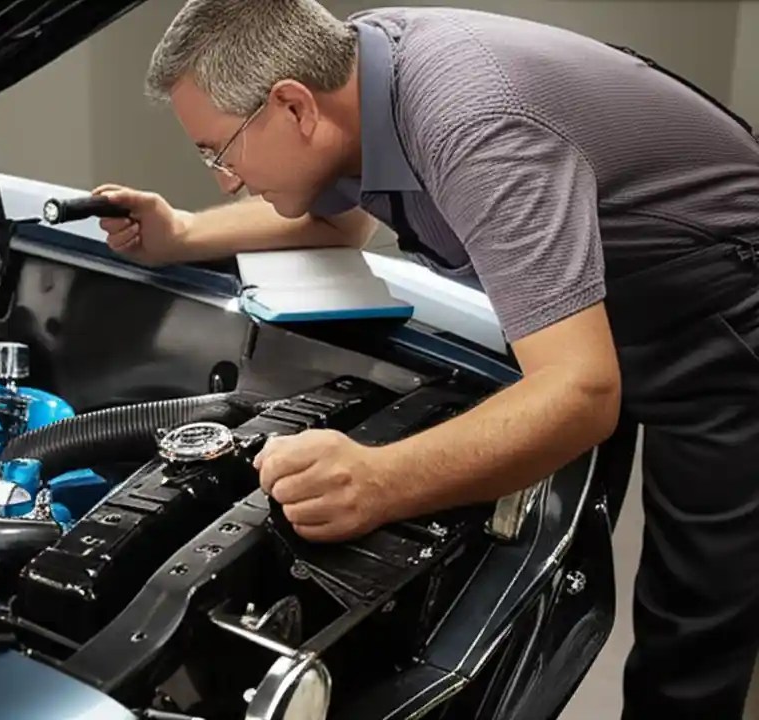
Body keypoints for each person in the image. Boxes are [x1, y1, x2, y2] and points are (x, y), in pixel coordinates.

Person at [91, 2, 759, 718]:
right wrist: (184, 233)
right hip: (610, 297)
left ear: (292, 106)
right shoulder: (357, 67)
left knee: (691, 622)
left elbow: (582, 392)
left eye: (219, 151)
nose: (224, 178)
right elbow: (336, 215)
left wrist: (378, 480)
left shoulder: (473, 124)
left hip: (719, 318)